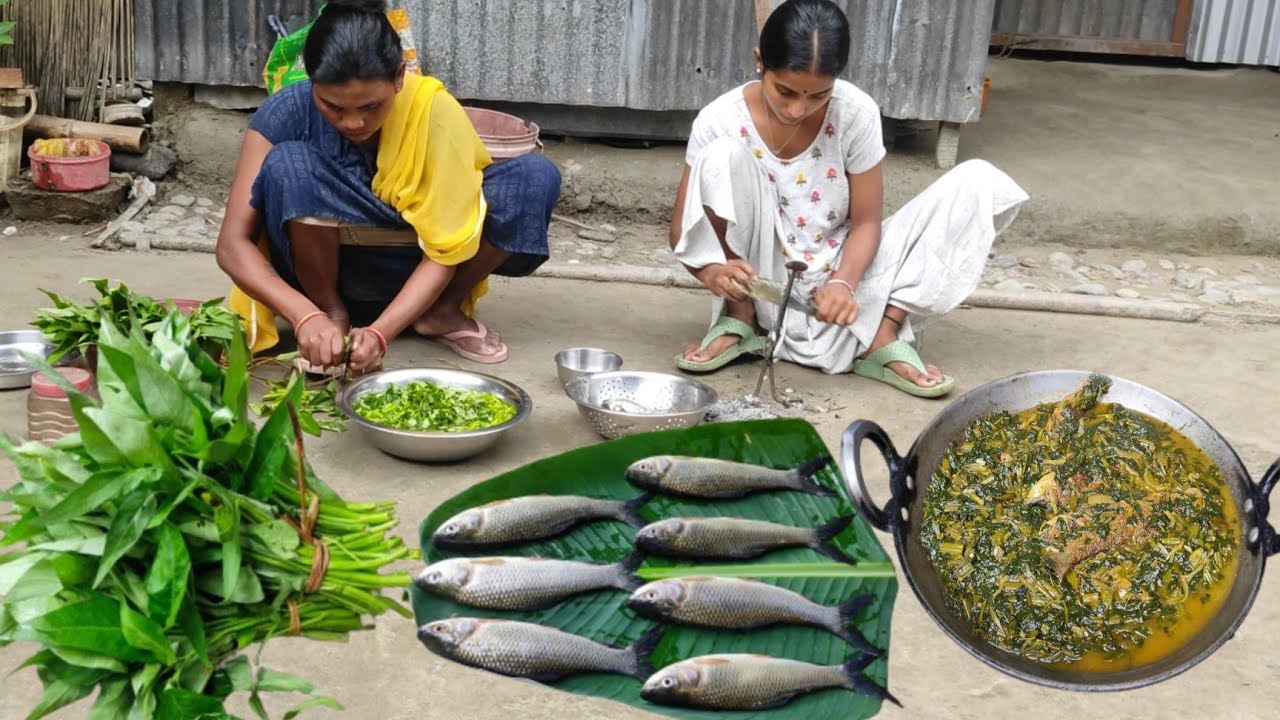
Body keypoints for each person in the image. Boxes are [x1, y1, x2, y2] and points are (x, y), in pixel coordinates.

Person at [670, 0, 1028, 398]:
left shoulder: (856, 113)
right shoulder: (720, 119)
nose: (798, 108)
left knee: (979, 181)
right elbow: (681, 231)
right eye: (785, 91)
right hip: (762, 280)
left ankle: (882, 331)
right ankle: (742, 321)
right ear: (760, 62)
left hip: (847, 286)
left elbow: (868, 223)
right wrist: (711, 272)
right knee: (721, 154)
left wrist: (843, 282)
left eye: (818, 95)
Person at [217, 0, 561, 374]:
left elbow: (446, 247)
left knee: (533, 178)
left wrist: (381, 334)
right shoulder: (286, 112)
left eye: (371, 106)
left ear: (399, 76)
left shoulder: (434, 113)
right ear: (311, 81)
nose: (353, 122)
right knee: (290, 165)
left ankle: (438, 310)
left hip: (419, 266)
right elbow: (232, 243)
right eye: (333, 107)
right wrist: (305, 316)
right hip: (322, 270)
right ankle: (332, 315)